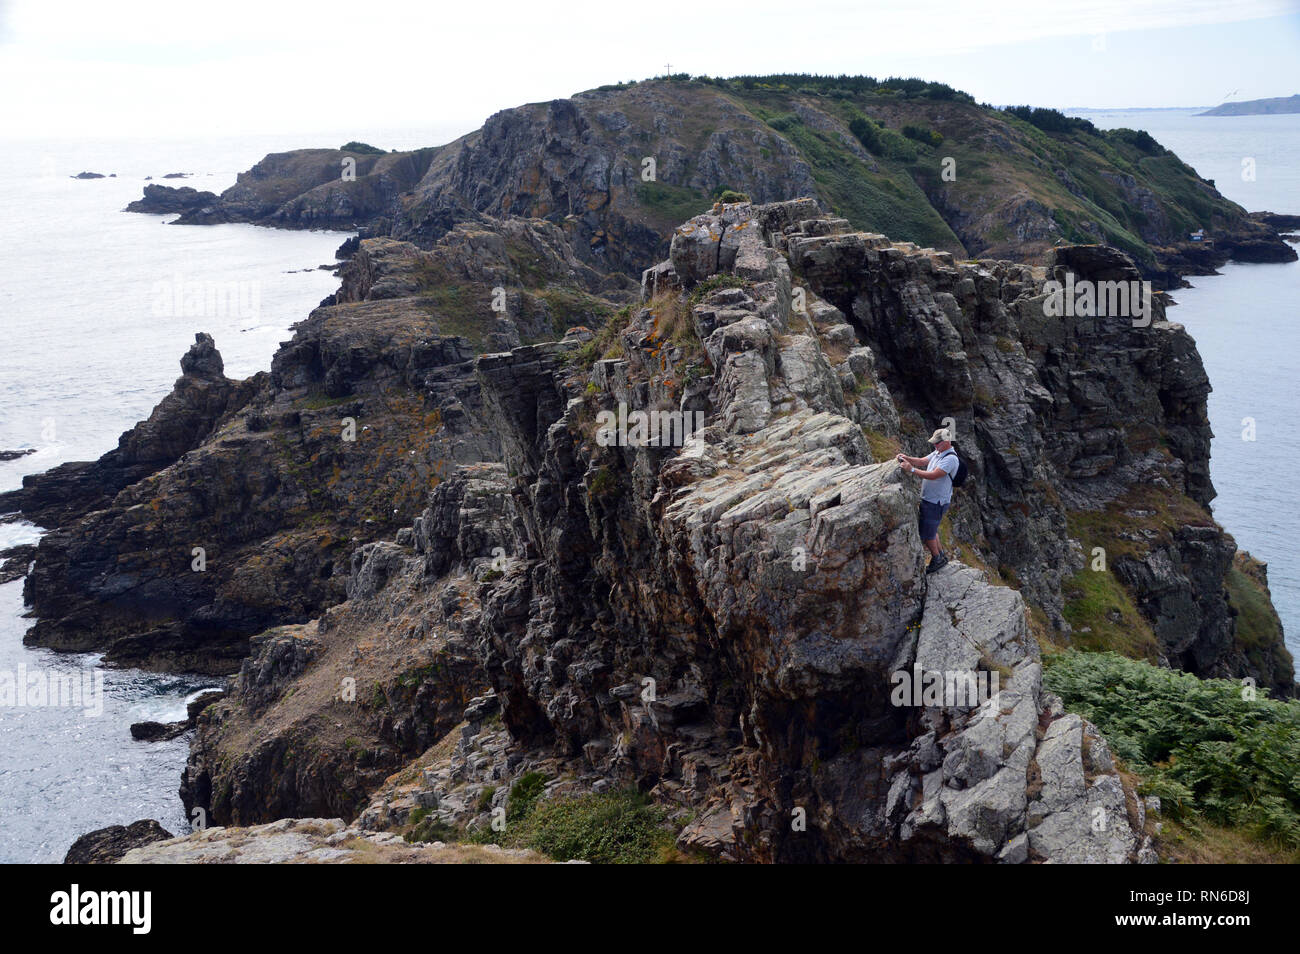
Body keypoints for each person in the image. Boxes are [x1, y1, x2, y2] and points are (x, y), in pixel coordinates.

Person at [896, 428, 960, 574]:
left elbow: (934, 475)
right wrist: (907, 458)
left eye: (937, 443)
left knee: (927, 535)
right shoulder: (938, 452)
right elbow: (922, 461)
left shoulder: (950, 458)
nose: (935, 445)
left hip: (936, 502)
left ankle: (937, 558)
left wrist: (911, 469)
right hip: (930, 499)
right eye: (934, 443)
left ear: (946, 442)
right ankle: (941, 555)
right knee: (932, 530)